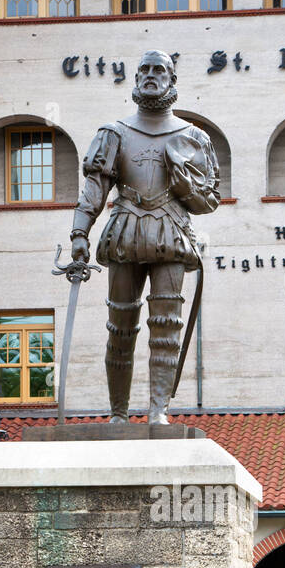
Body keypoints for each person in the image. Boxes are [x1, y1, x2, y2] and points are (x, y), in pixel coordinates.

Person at [70, 50, 220, 425]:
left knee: (166, 328)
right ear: (136, 79)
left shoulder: (193, 138)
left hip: (170, 232)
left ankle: (158, 412)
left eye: (160, 70)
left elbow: (209, 200)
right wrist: (79, 233)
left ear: (172, 81)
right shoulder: (114, 133)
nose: (151, 76)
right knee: (120, 326)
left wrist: (185, 184)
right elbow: (94, 188)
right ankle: (118, 414)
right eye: (145, 70)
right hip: (125, 232)